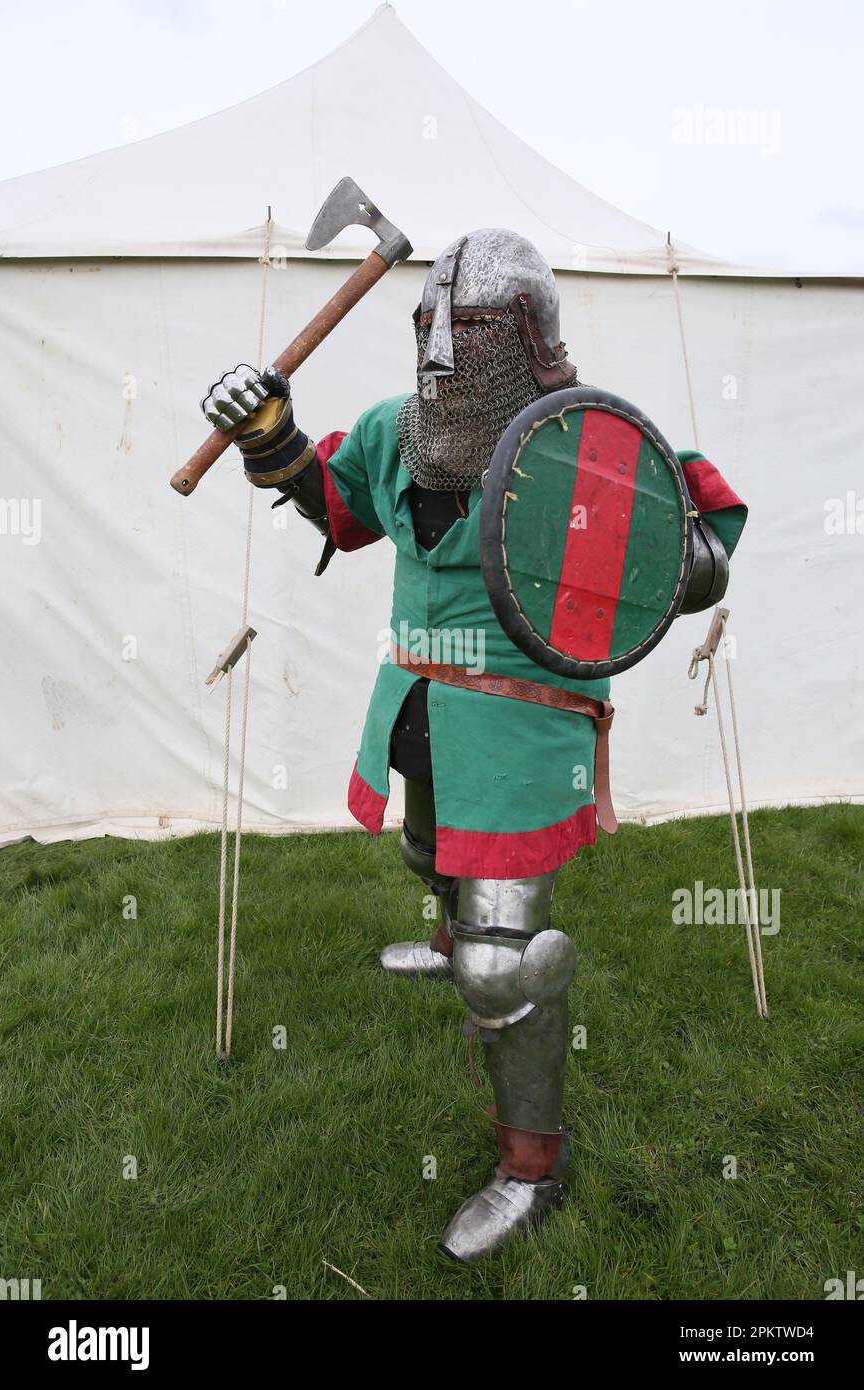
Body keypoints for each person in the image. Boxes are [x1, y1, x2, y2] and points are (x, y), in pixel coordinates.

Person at [201, 229, 747, 1260]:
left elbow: (701, 552)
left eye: (476, 327)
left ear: (531, 334)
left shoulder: (586, 441)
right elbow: (337, 505)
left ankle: (528, 1167)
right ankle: (450, 938)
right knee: (426, 852)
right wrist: (266, 432)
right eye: (431, 327)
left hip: (521, 723)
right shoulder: (393, 431)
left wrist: (635, 543)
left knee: (507, 965)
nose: (447, 348)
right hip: (413, 693)